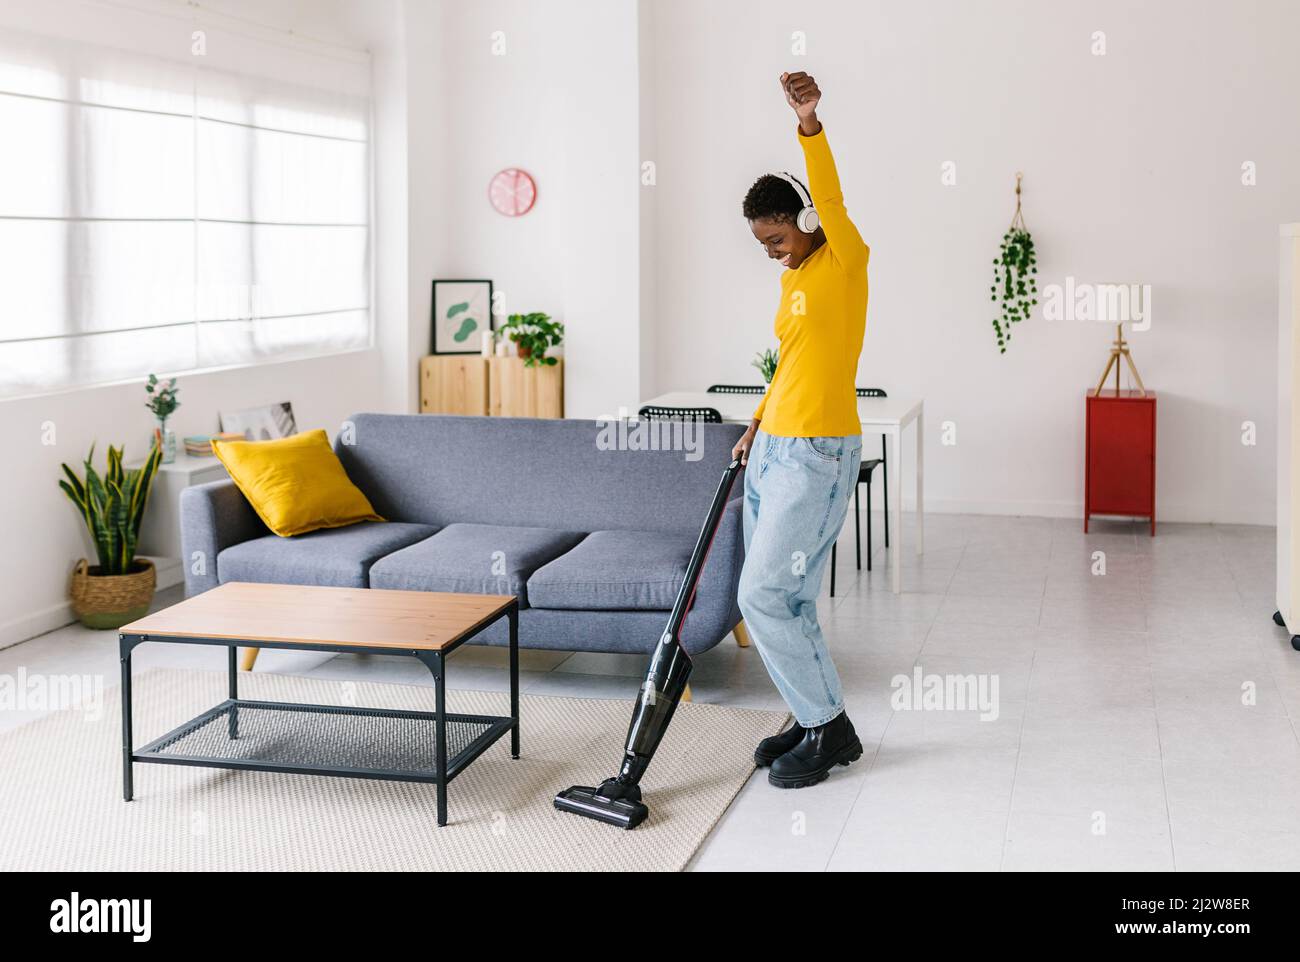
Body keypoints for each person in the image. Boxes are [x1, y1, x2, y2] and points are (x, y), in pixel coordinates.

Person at [732, 71, 869, 789]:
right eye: (763, 244)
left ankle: (830, 729)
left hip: (817, 451)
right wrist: (756, 423)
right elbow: (791, 359)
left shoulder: (844, 258)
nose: (774, 252)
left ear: (807, 220)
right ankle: (811, 714)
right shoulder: (794, 281)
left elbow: (833, 195)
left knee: (761, 597)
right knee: (784, 599)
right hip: (775, 447)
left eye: (778, 237)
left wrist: (809, 124)